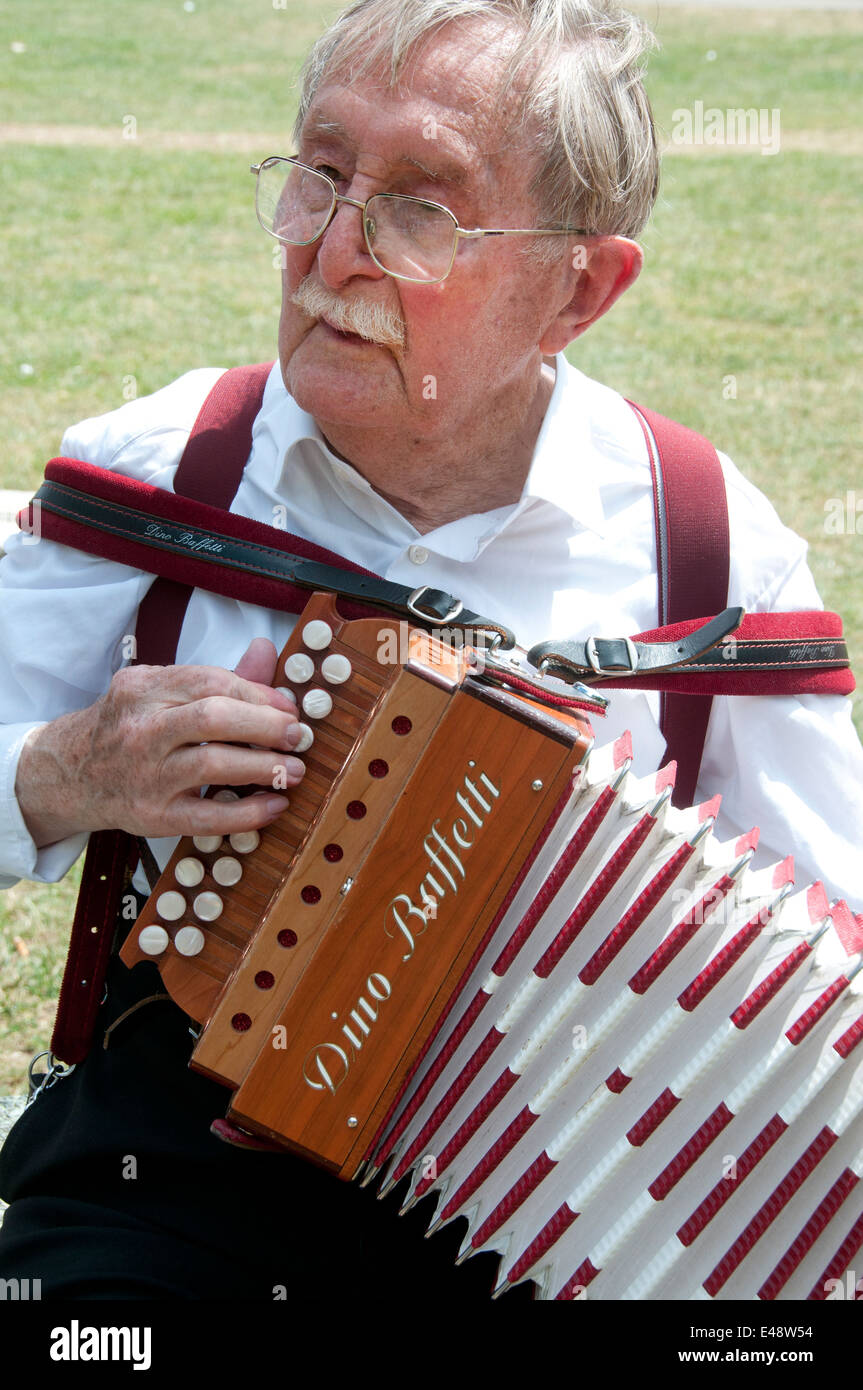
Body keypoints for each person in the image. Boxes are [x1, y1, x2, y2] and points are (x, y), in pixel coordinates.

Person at [0, 0, 860, 1302]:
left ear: (579, 287)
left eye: (419, 207)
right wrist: (65, 767)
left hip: (565, 1194)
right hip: (174, 1174)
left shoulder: (706, 549)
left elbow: (829, 981)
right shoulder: (162, 475)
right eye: (319, 176)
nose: (331, 251)